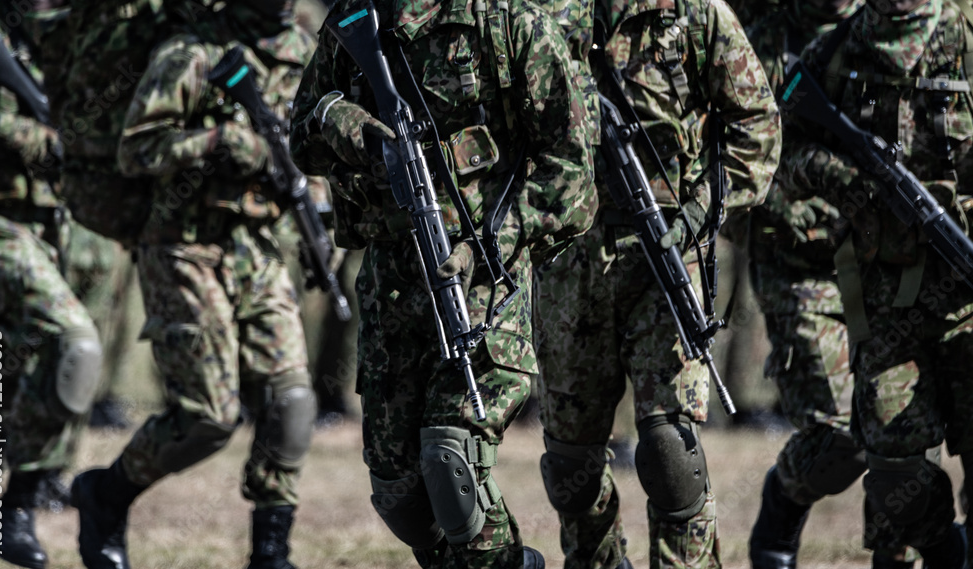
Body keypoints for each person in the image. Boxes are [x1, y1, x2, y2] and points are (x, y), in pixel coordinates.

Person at [290, 0, 598, 564]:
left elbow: (572, 172)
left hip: (482, 285)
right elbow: (301, 131)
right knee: (400, 494)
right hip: (392, 283)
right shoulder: (355, 21)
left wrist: (493, 242)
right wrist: (340, 121)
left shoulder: (511, 24)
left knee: (451, 464)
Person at [70, 2, 320, 568]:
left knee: (293, 401)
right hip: (183, 245)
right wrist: (216, 142)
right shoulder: (191, 53)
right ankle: (105, 495)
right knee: (208, 418)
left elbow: (315, 145)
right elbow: (135, 149)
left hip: (256, 245)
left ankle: (270, 552)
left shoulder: (305, 55)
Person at [532, 0, 782, 565]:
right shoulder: (545, 14)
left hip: (668, 250)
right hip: (571, 253)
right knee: (572, 461)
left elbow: (757, 123)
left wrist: (704, 207)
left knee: (672, 452)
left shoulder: (698, 16)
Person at [777, 0, 973, 565]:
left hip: (967, 300)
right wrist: (844, 178)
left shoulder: (963, 36)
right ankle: (943, 549)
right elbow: (781, 149)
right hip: (888, 305)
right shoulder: (838, 51)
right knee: (894, 474)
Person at [738, 1, 917, 568]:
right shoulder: (757, 31)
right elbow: (732, 141)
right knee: (840, 435)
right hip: (797, 258)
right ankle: (784, 501)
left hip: (881, 261)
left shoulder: (881, 31)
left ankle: (907, 549)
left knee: (902, 424)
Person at [0, 2, 104, 568]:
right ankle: (20, 502)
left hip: (55, 228)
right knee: (74, 343)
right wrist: (33, 134)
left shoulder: (67, 35)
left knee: (10, 381)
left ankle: (7, 516)